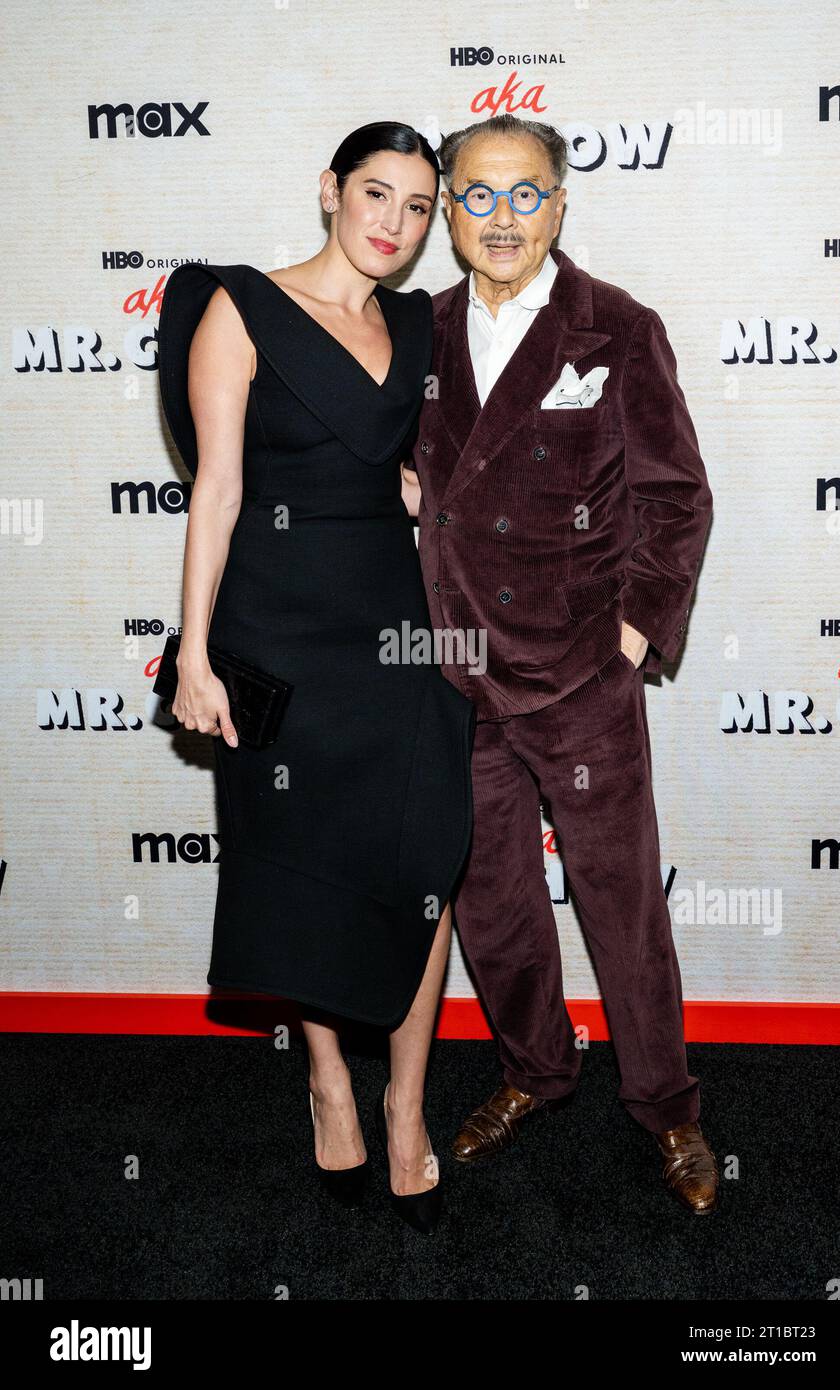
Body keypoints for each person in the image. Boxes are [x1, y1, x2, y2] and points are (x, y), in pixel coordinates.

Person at [157, 122, 476, 1235]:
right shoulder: (237, 309)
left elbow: (423, 454)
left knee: (428, 845)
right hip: (279, 629)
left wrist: (408, 489)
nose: (393, 222)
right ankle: (329, 1081)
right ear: (329, 191)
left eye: (418, 206)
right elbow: (218, 491)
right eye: (375, 194)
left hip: (394, 625)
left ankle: (406, 1105)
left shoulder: (415, 322)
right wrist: (192, 653)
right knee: (301, 859)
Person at [401, 113, 719, 1215]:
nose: (500, 217)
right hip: (454, 673)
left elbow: (674, 496)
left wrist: (629, 637)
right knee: (490, 903)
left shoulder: (615, 328)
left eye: (523, 193)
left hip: (580, 673)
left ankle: (667, 1106)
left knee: (620, 901)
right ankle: (536, 1069)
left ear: (560, 201)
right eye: (476, 194)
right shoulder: (418, 331)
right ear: (445, 206)